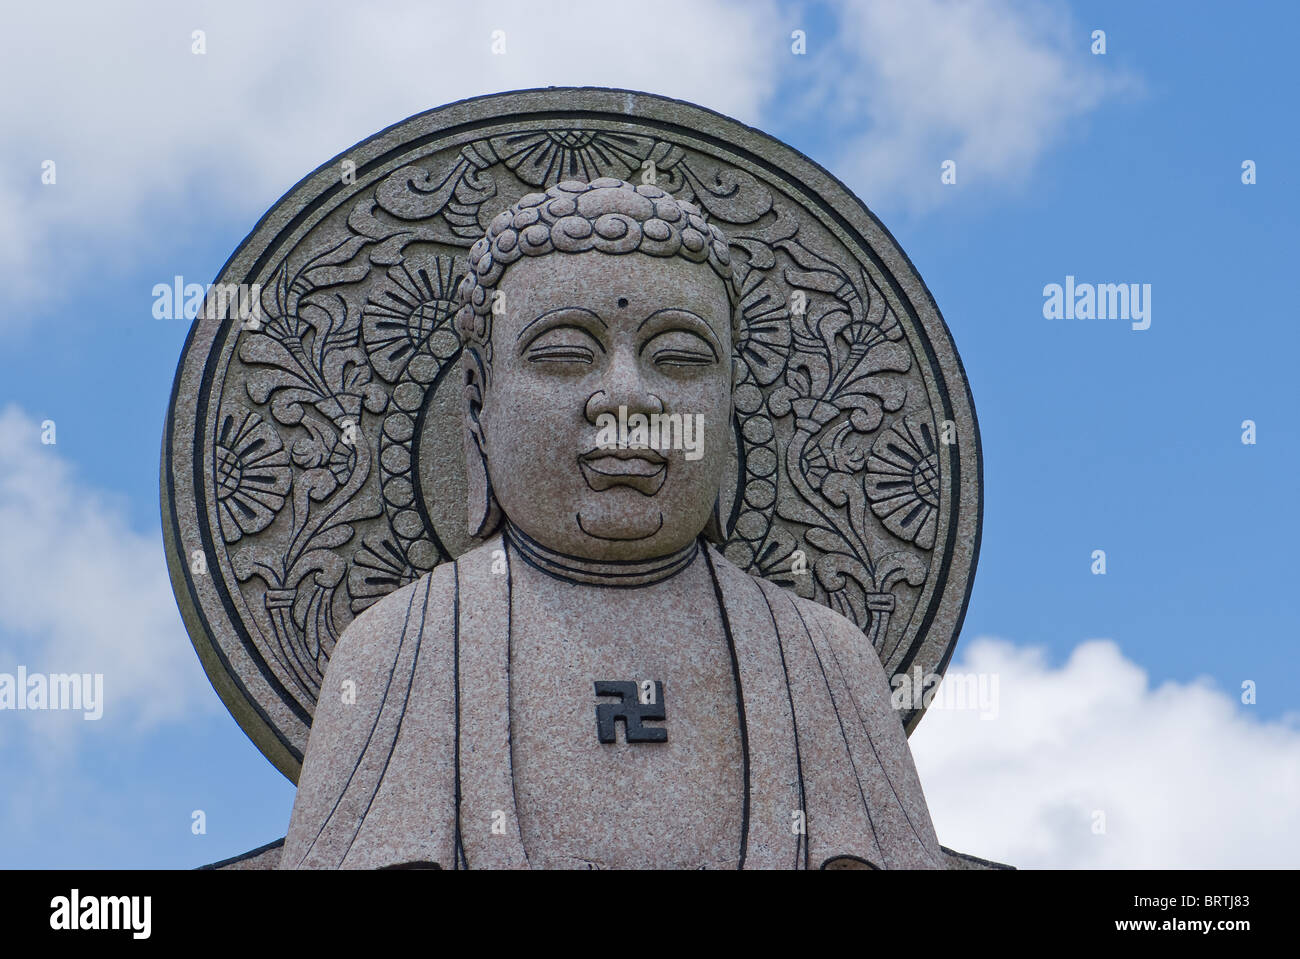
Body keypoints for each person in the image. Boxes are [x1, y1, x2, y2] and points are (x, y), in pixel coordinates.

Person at [281, 178, 944, 869]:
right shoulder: (398, 652)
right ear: (478, 404)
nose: (627, 396)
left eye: (681, 358)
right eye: (566, 352)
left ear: (726, 405)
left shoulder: (824, 662)